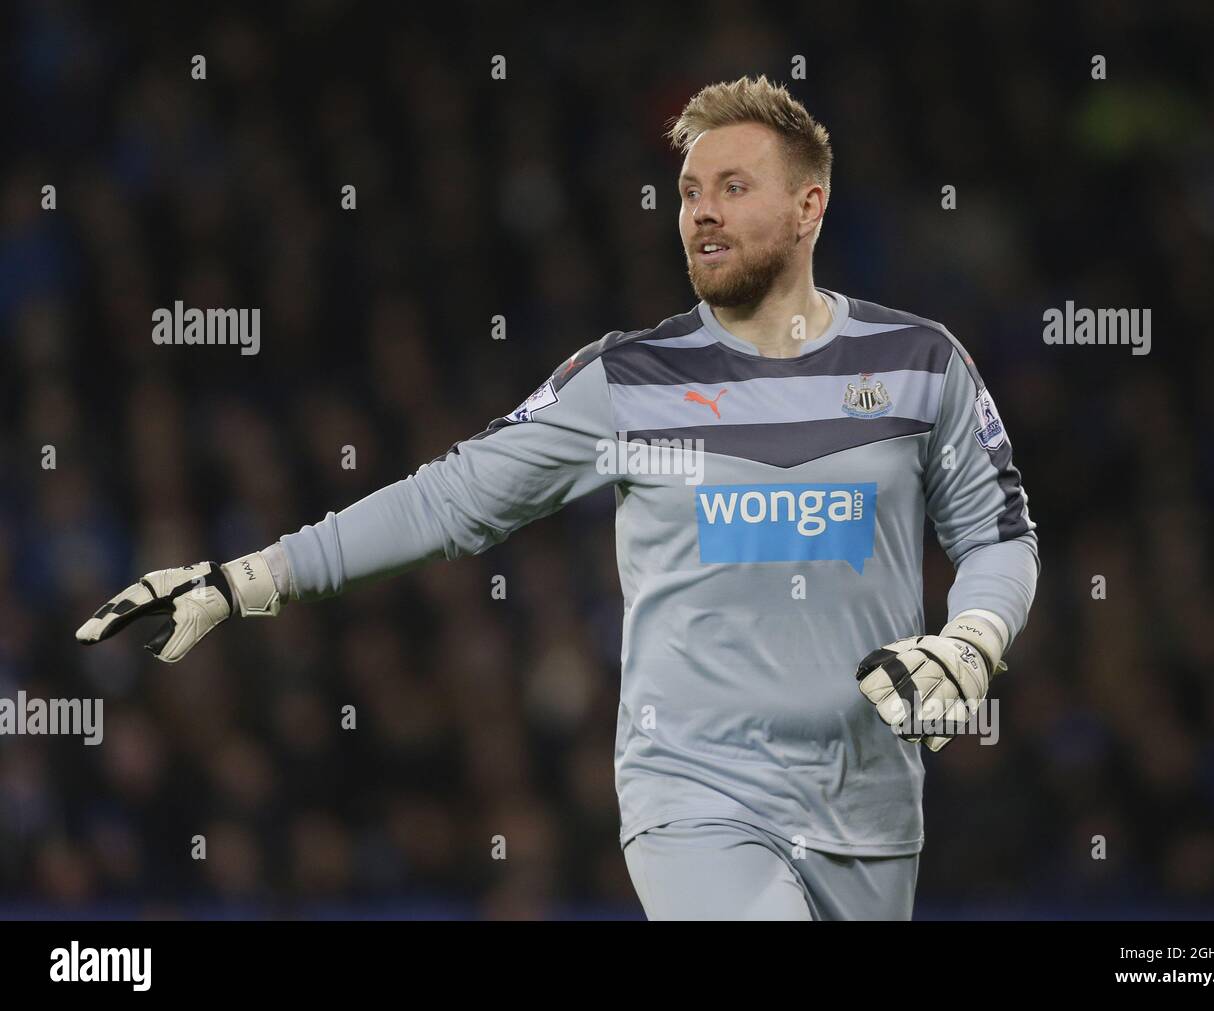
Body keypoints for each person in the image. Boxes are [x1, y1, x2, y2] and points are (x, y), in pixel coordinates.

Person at [76, 75, 1038, 920]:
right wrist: (242, 579)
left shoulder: (921, 363)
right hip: (696, 793)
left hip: (871, 806)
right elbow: (450, 501)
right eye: (689, 193)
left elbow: (1000, 535)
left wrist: (975, 637)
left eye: (733, 188)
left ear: (809, 208)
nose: (700, 212)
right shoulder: (627, 379)